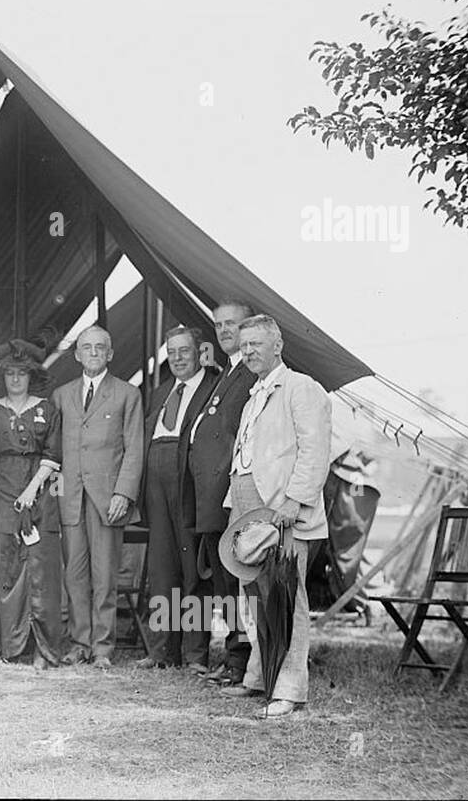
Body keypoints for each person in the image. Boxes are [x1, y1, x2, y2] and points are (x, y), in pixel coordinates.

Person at [219, 314, 331, 717]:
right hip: (249, 506)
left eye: (256, 345)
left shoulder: (301, 388)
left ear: (278, 346)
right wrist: (234, 503)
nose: (248, 352)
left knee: (285, 596)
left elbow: (315, 451)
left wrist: (294, 501)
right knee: (254, 596)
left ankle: (289, 690)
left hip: (283, 510)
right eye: (244, 346)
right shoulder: (253, 396)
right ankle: (258, 677)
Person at [50, 326, 144, 668]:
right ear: (76, 355)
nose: (92, 352)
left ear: (110, 354)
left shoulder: (127, 394)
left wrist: (124, 492)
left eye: (99, 347)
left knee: (105, 575)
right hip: (70, 496)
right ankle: (79, 643)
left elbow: (134, 449)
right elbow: (53, 449)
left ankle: (102, 647)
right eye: (86, 347)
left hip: (108, 499)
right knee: (74, 574)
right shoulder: (61, 395)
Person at [136, 325, 219, 670]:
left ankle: (195, 654)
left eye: (185, 351)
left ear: (200, 352)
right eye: (172, 352)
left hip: (188, 484)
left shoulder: (214, 388)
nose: (178, 358)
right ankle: (161, 652)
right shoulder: (160, 393)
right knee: (161, 568)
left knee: (193, 569)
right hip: (155, 481)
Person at [183, 301, 257, 687]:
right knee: (223, 582)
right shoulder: (228, 372)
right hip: (210, 497)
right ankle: (232, 654)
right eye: (219, 324)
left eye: (232, 323)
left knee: (235, 581)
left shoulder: (251, 375)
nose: (225, 330)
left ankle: (240, 660)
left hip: (230, 496)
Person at [0, 339, 64, 668]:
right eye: (10, 373)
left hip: (39, 490)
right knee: (6, 564)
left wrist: (32, 489)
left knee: (41, 565)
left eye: (22, 373)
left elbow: (53, 454)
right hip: (1, 488)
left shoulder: (47, 409)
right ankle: (11, 645)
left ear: (31, 376)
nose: (16, 379)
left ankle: (43, 649)